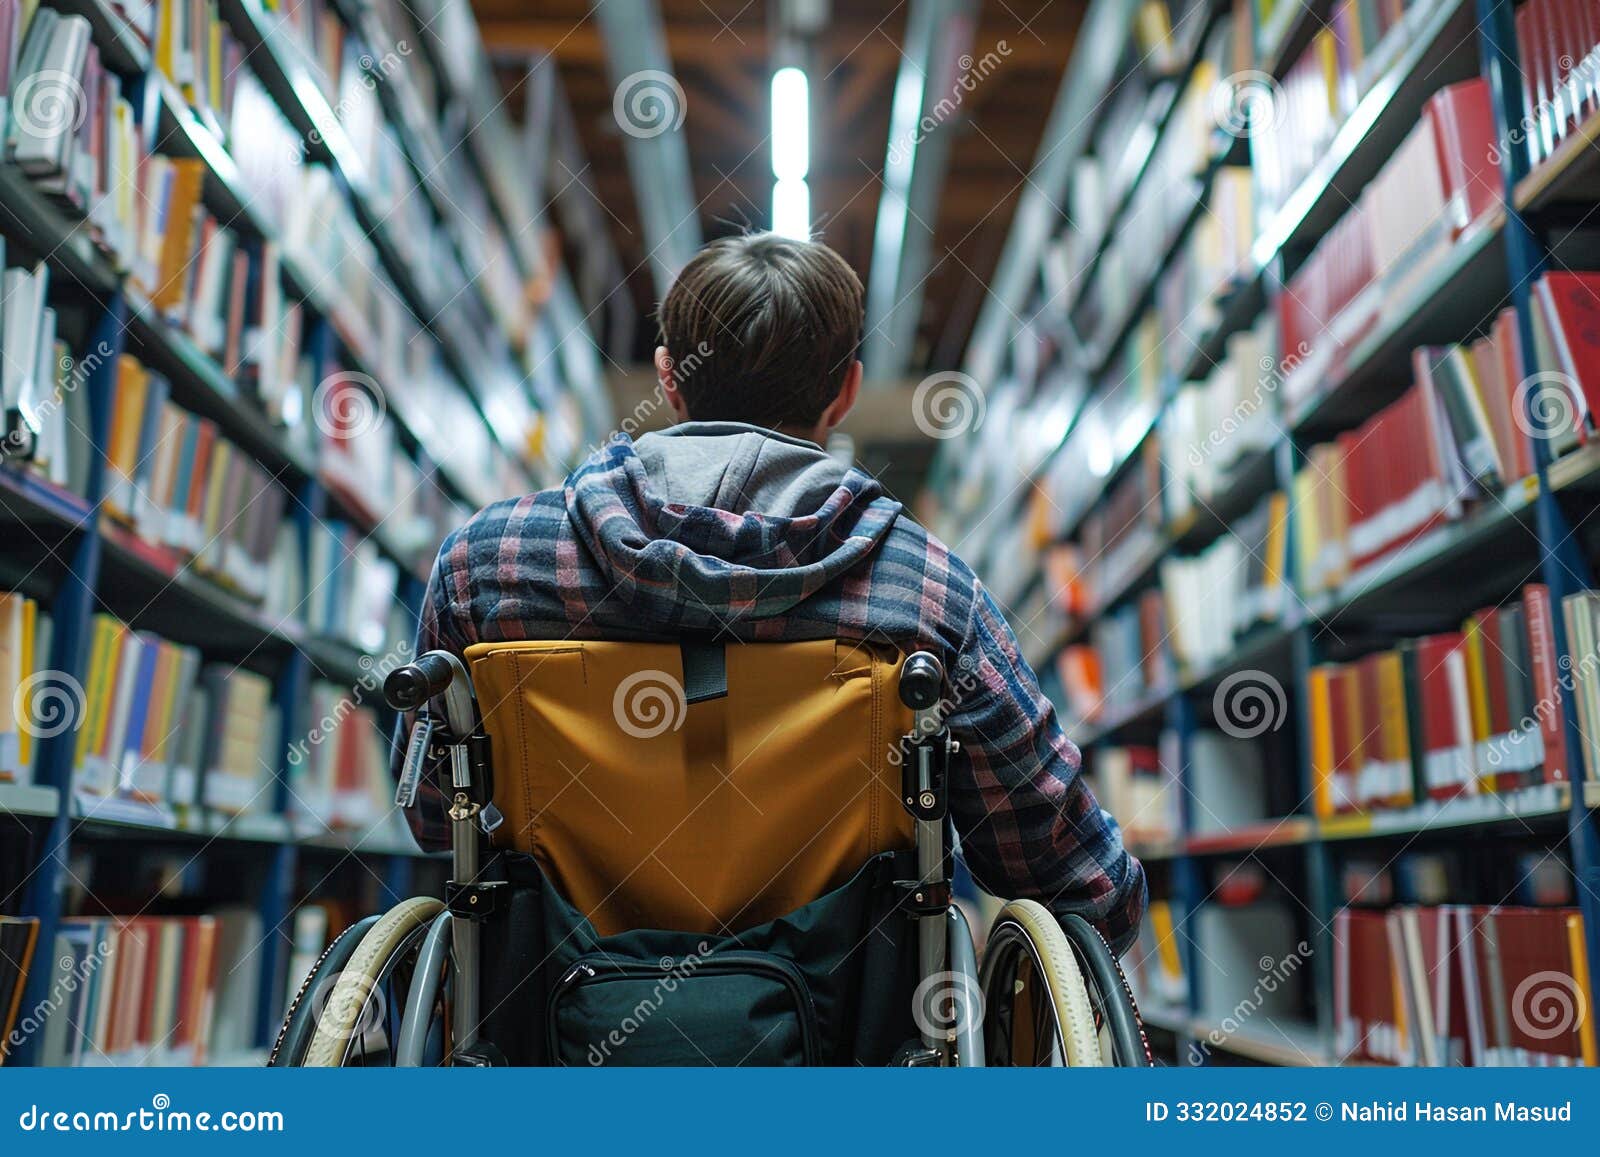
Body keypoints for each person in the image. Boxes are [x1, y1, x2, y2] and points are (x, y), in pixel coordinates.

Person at [399, 232, 1146, 954]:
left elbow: (437, 818)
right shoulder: (927, 591)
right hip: (849, 1033)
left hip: (551, 1012)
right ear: (847, 390)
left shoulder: (487, 562)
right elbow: (1070, 874)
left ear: (668, 374)